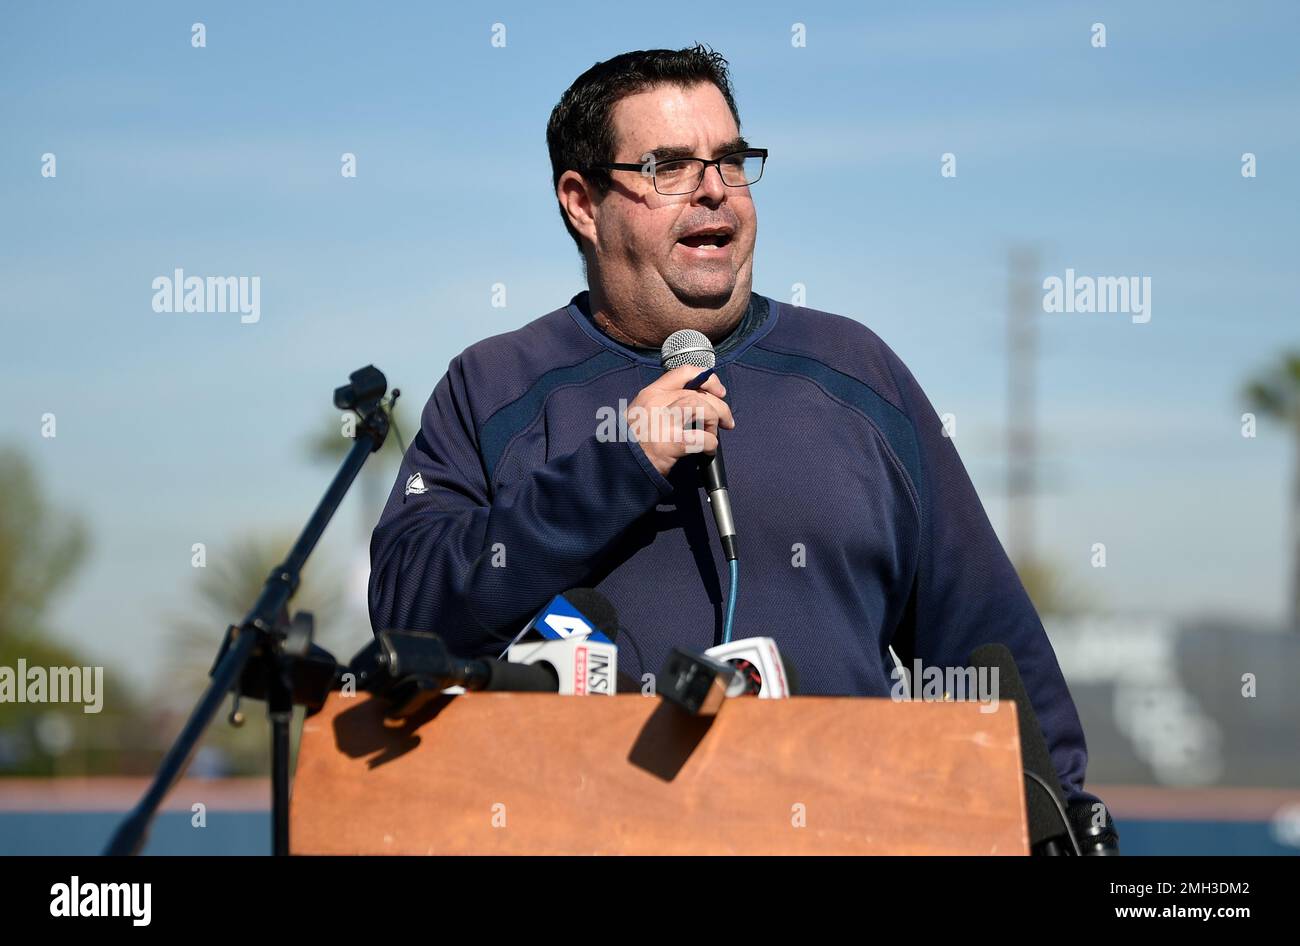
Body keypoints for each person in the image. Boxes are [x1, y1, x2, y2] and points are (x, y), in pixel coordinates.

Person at [368, 44, 1114, 846]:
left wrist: (1061, 826)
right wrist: (609, 473)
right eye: (671, 167)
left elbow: (987, 644)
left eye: (730, 160)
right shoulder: (494, 386)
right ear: (582, 202)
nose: (716, 191)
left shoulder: (857, 374)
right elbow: (411, 613)